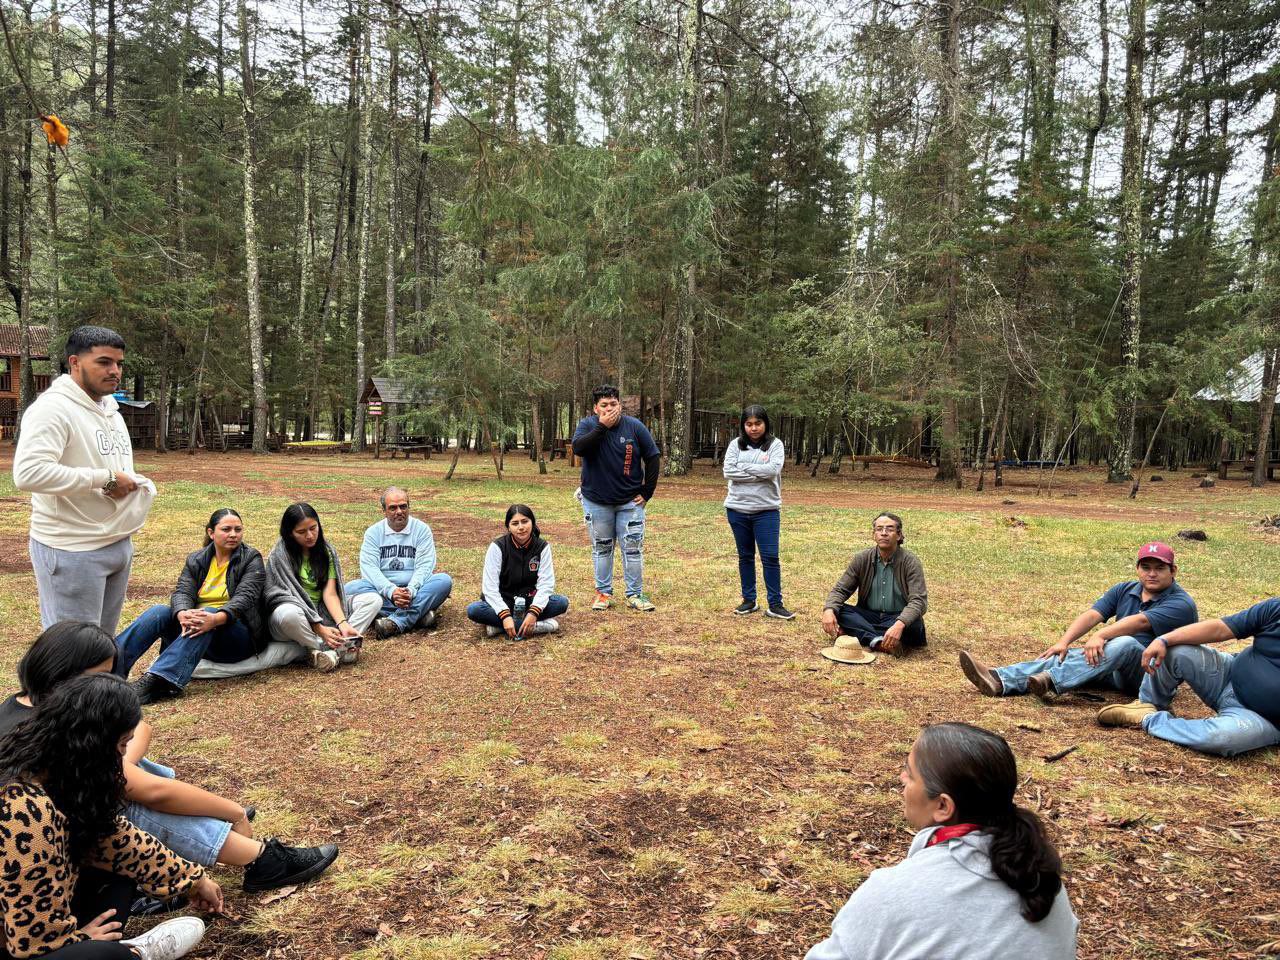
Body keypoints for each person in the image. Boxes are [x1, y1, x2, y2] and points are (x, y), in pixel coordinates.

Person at [0, 622, 340, 898]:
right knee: (128, 798)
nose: (108, 685)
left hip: (46, 846)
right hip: (39, 865)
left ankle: (204, 829)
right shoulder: (58, 735)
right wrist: (232, 811)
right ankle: (262, 859)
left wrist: (124, 763)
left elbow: (139, 728)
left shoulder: (25, 705)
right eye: (99, 676)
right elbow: (148, 792)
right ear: (62, 672)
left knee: (126, 770)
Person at [805, 723, 1077, 960]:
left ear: (943, 806)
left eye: (910, 773)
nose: (901, 778)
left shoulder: (893, 893)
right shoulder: (1041, 877)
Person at [0, 672, 222, 960]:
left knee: (118, 873)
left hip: (27, 923)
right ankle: (133, 953)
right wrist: (77, 940)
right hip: (22, 940)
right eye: (121, 746)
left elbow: (116, 839)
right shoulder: (23, 808)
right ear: (91, 745)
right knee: (108, 955)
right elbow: (29, 941)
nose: (122, 759)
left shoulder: (47, 765)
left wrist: (191, 879)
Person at [13, 325, 157, 635]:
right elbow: (28, 473)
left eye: (119, 363)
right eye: (104, 362)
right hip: (72, 548)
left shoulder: (111, 410)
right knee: (73, 651)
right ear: (75, 362)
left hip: (117, 541)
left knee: (101, 644)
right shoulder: (52, 410)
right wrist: (105, 480)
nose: (115, 371)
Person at [959, 542, 1198, 702]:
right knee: (1066, 655)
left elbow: (1141, 622)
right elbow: (1093, 614)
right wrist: (1063, 641)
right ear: (1137, 568)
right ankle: (999, 680)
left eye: (1159, 568)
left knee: (1123, 643)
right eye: (1145, 567)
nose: (1152, 573)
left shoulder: (1181, 604)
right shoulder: (1125, 589)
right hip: (1115, 667)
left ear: (1173, 570)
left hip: (1152, 677)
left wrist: (1101, 636)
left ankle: (1053, 681)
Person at [113, 509, 268, 705]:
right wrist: (182, 613)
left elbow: (245, 598)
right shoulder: (197, 559)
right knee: (158, 612)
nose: (233, 534)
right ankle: (108, 668)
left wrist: (215, 619)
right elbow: (182, 592)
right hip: (198, 631)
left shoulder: (251, 559)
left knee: (207, 614)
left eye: (238, 529)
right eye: (226, 529)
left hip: (236, 637)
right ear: (211, 533)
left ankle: (161, 681)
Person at [1096, 597, 1280, 756]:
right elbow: (1220, 628)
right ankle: (1149, 703)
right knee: (1175, 649)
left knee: (1221, 738)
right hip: (1227, 675)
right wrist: (1163, 639)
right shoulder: (1275, 608)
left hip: (1261, 717)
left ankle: (1149, 719)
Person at [571, 384, 660, 613]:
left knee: (632, 548)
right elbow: (579, 449)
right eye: (604, 405)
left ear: (619, 405)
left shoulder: (634, 427)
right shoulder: (587, 426)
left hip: (630, 502)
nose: (609, 409)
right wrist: (602, 427)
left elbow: (653, 457)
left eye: (613, 404)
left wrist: (647, 491)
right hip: (596, 501)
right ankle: (603, 593)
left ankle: (635, 594)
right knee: (602, 548)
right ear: (595, 408)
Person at [264, 503, 381, 673]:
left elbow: (330, 594)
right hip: (293, 620)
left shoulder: (326, 551)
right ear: (289, 533)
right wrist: (319, 628)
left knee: (373, 600)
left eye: (313, 528)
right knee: (290, 613)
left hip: (321, 611)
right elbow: (280, 596)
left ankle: (334, 647)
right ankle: (333, 648)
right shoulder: (279, 555)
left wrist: (343, 623)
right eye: (301, 532)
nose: (310, 536)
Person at [344, 487, 453, 639]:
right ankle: (419, 615)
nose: (399, 511)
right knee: (350, 588)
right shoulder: (373, 533)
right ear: (384, 511)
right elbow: (369, 569)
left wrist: (410, 590)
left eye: (403, 506)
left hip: (414, 590)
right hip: (384, 591)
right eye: (393, 508)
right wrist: (391, 591)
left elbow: (425, 566)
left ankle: (395, 621)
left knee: (443, 581)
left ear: (409, 507)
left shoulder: (422, 530)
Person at [821, 512, 927, 655]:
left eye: (889, 529)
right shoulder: (862, 558)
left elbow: (918, 601)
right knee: (839, 610)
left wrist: (900, 624)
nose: (884, 533)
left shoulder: (910, 562)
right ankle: (879, 642)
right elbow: (841, 590)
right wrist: (829, 610)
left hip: (896, 617)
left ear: (899, 535)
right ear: (874, 534)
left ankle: (858, 633)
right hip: (869, 616)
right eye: (879, 529)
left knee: (914, 623)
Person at [723, 404, 792, 620]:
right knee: (745, 556)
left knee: (770, 557)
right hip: (737, 509)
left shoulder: (775, 445)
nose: (753, 428)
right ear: (744, 426)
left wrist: (743, 468)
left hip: (767, 511)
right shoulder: (735, 445)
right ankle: (749, 600)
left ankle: (775, 604)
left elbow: (773, 470)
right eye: (749, 424)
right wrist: (759, 473)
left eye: (758, 423)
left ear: (765, 424)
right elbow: (727, 471)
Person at [466, 505, 570, 639]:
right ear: (508, 527)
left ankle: (499, 627)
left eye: (525, 521)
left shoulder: (542, 547)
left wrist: (533, 613)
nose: (521, 527)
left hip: (528, 602)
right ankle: (537, 627)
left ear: (532, 522)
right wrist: (505, 615)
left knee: (561, 602)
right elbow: (490, 588)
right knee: (474, 610)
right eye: (515, 523)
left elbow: (546, 584)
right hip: (503, 602)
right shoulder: (497, 547)